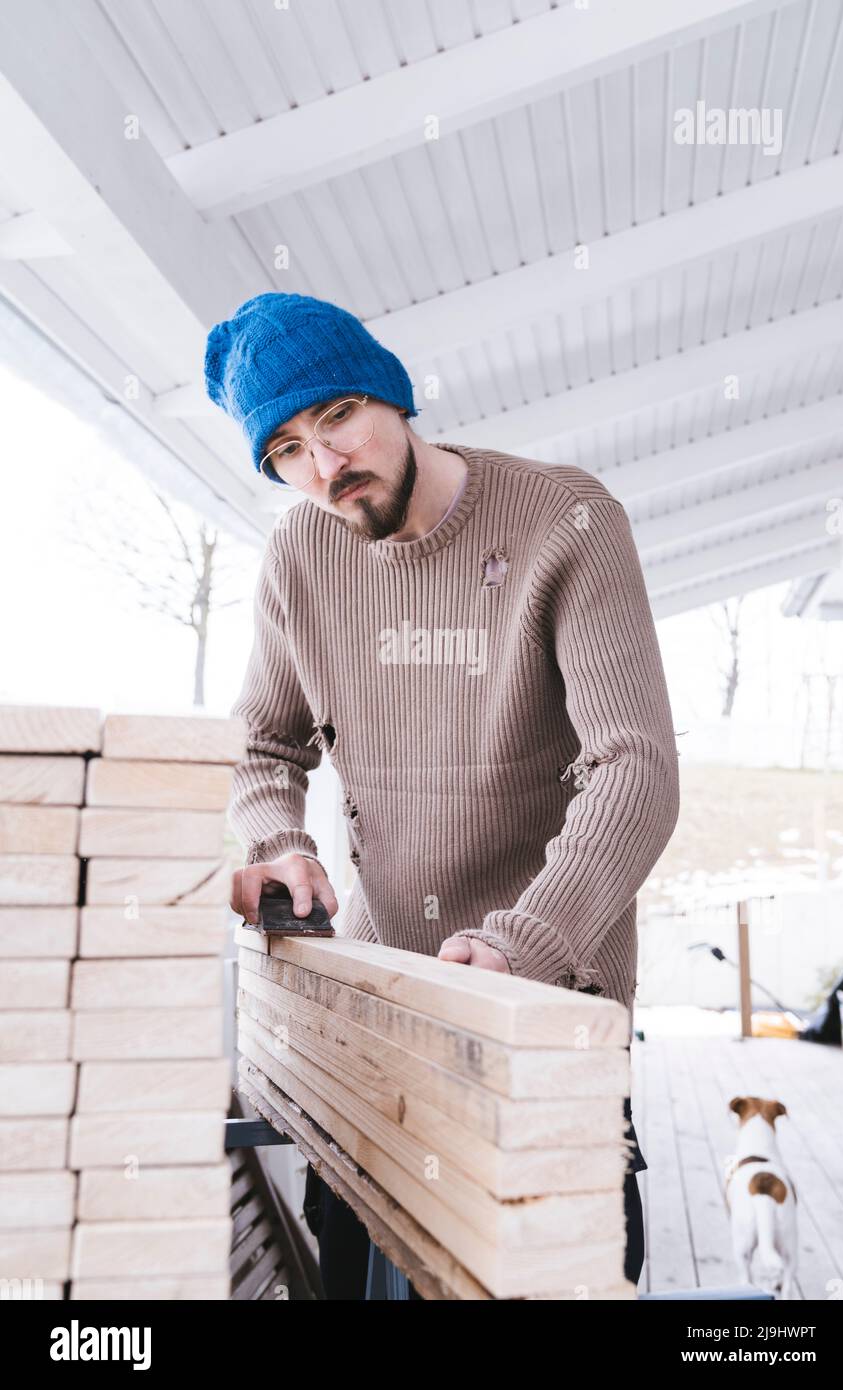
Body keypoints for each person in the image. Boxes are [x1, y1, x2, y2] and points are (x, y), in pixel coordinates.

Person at [205, 291, 679, 1298]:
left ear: (391, 392)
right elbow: (259, 745)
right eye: (285, 448)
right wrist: (275, 843)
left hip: (544, 1011)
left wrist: (521, 943)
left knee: (561, 1275)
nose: (323, 468)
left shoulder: (566, 520)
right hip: (379, 1010)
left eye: (335, 417)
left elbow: (635, 768)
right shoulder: (298, 555)